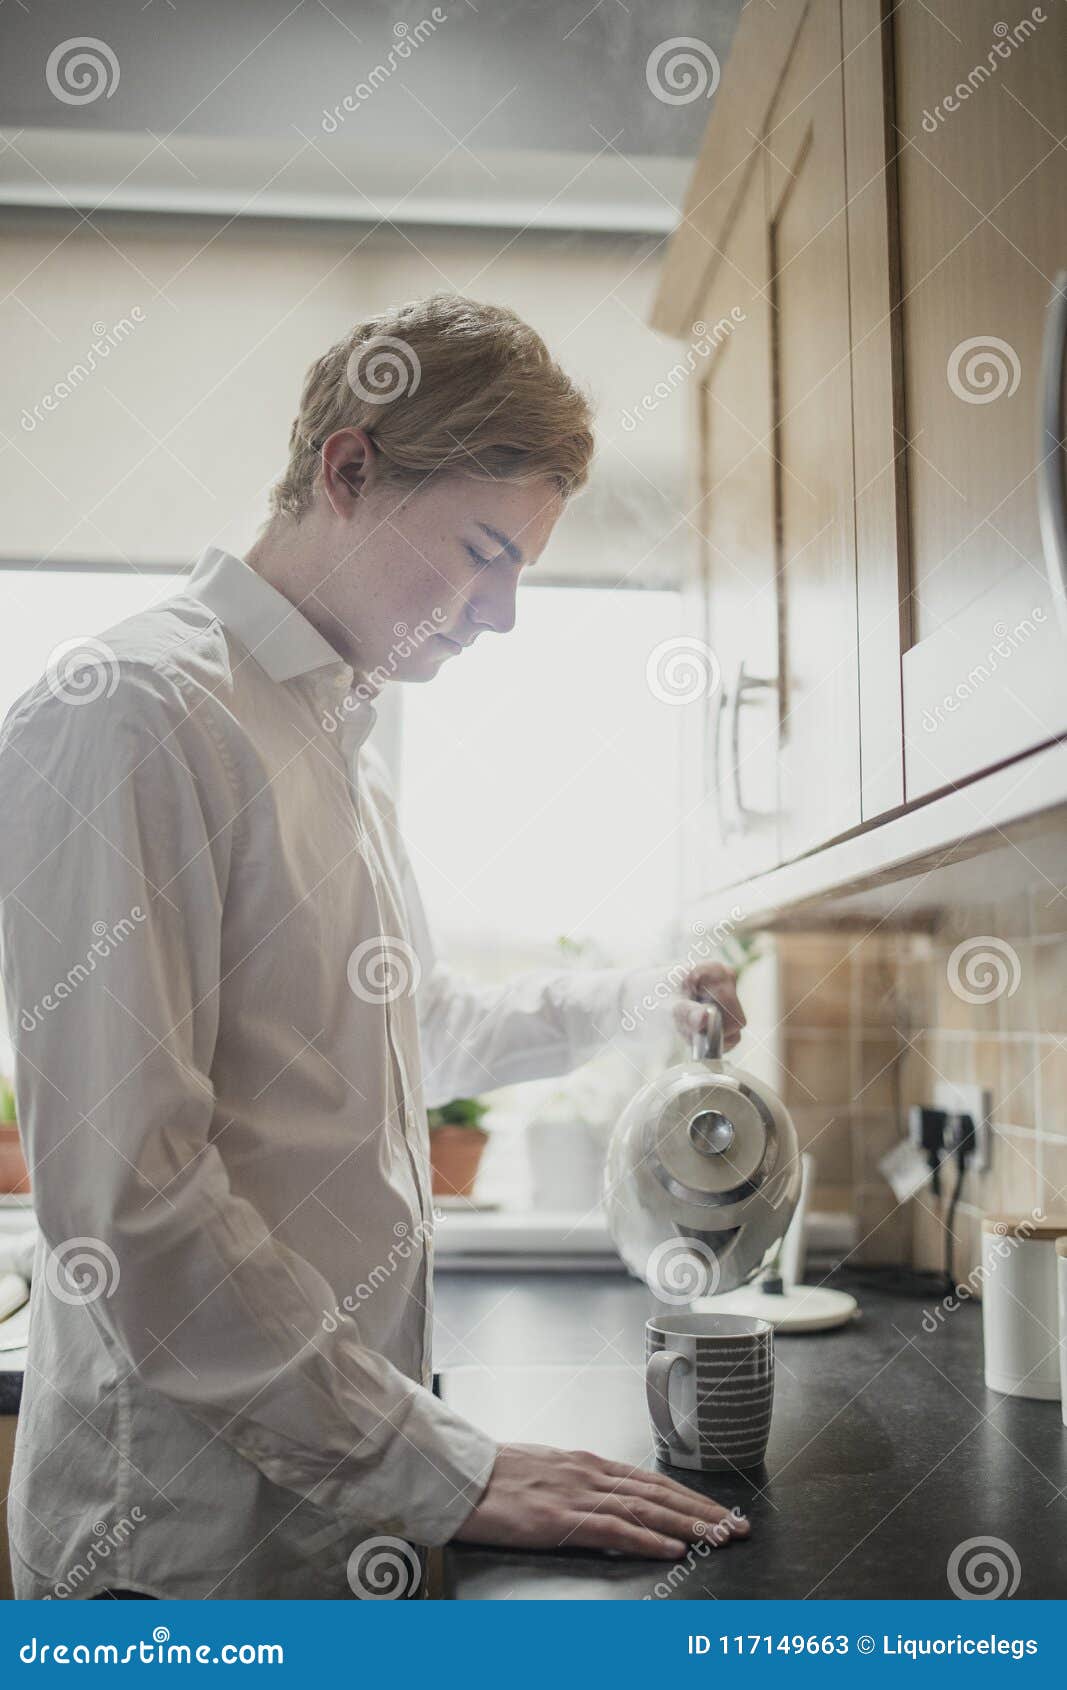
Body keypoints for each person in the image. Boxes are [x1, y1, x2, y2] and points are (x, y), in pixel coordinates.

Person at [0, 293, 749, 1600]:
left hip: (332, 1515)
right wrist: (445, 1466)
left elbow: (420, 1031)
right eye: (482, 552)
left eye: (522, 568)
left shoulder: (338, 746)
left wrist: (638, 1000)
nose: (500, 614)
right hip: (178, 1557)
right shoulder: (132, 716)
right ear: (348, 471)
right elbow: (130, 1204)